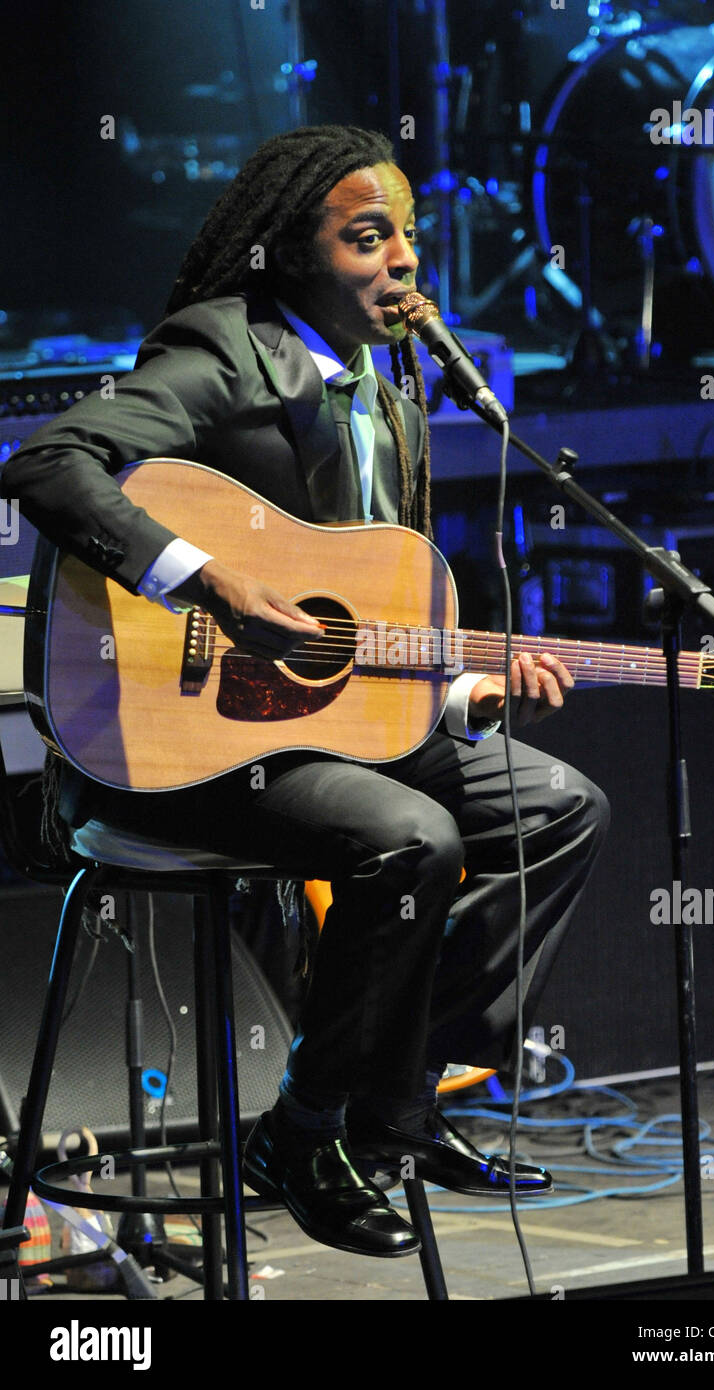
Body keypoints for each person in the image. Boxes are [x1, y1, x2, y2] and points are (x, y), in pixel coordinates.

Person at [2, 126, 609, 1259]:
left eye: (409, 240)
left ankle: (389, 1110)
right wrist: (208, 578)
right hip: (167, 743)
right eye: (365, 238)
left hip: (311, 735)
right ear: (287, 252)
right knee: (410, 835)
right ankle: (312, 1128)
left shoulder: (394, 395)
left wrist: (463, 687)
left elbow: (354, 619)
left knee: (556, 808)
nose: (401, 265)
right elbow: (48, 464)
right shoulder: (226, 353)